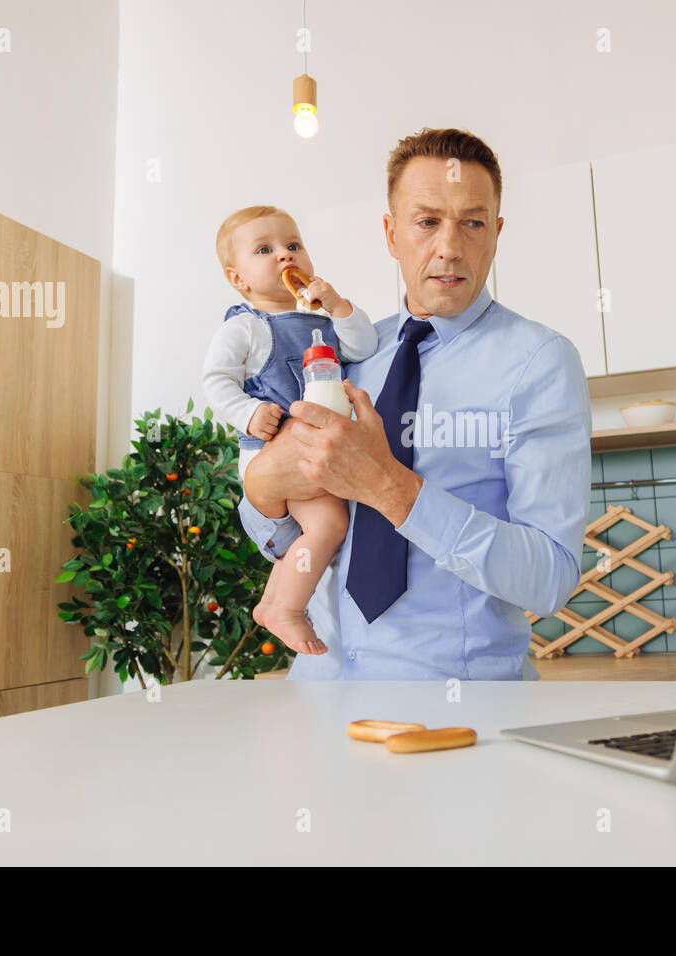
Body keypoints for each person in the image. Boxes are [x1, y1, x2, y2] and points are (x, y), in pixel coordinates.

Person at [236, 128, 591, 679]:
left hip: (457, 710)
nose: (449, 246)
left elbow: (550, 579)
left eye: (472, 223)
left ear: (495, 234)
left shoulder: (540, 362)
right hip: (318, 691)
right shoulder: (345, 355)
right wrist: (262, 494)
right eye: (427, 222)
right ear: (391, 233)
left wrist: (391, 489)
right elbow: (299, 540)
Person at [201, 206, 377, 654]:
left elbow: (364, 346)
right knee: (330, 523)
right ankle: (288, 611)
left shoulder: (322, 320)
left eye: (293, 245)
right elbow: (215, 380)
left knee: (308, 535)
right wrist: (247, 411)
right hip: (273, 448)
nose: (285, 256)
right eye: (265, 250)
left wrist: (339, 307)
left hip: (314, 447)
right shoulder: (246, 326)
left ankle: (272, 602)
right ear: (238, 278)